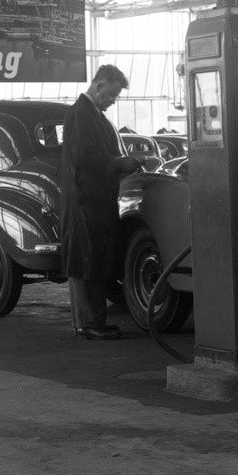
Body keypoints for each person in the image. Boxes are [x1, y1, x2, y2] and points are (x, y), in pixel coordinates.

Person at [60, 65, 143, 341]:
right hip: (85, 201)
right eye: (111, 95)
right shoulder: (80, 114)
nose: (113, 101)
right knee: (87, 260)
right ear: (99, 86)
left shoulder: (92, 115)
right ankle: (88, 323)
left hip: (93, 199)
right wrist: (119, 163)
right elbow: (85, 156)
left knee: (92, 259)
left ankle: (91, 321)